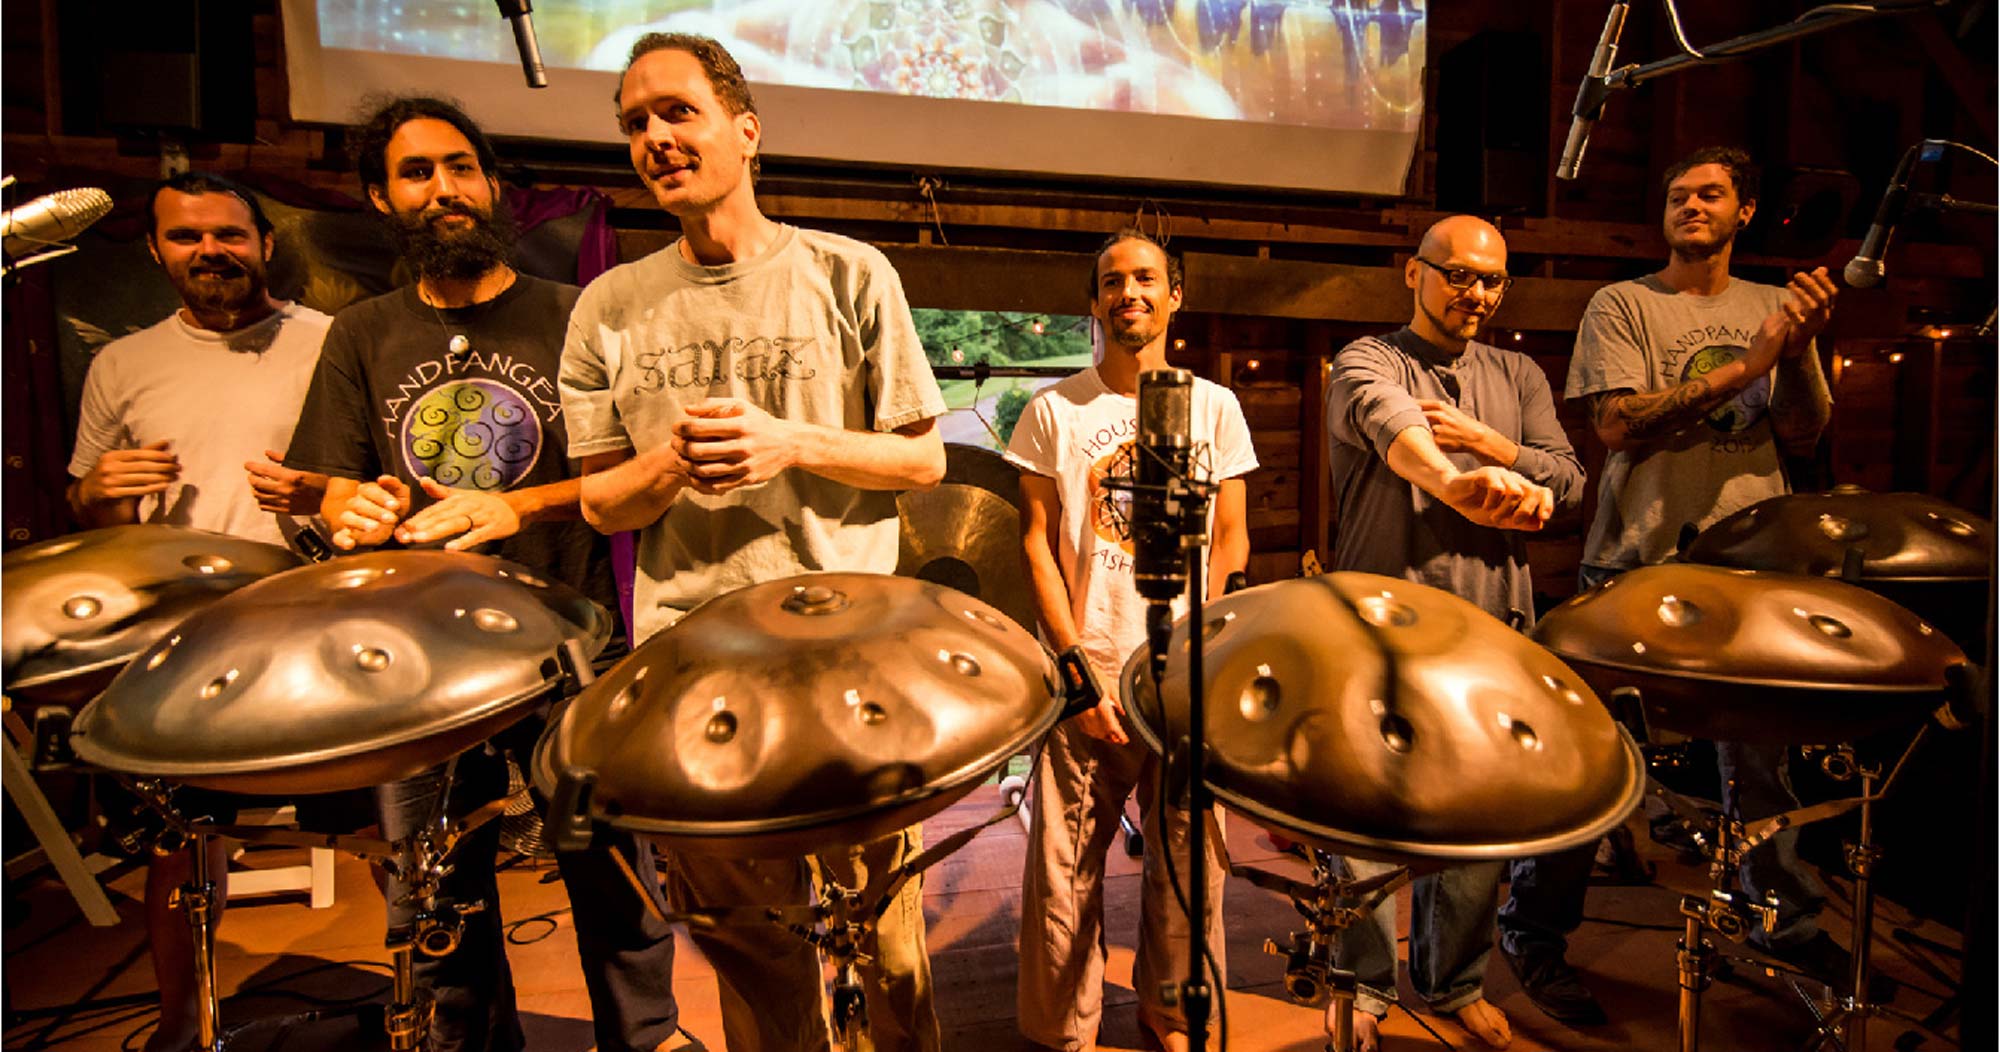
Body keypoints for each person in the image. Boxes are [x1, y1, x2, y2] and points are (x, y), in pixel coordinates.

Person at [558, 32, 948, 1052]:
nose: (653, 136)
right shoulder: (607, 307)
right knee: (752, 948)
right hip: (694, 659)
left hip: (849, 653)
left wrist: (791, 443)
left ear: (746, 127)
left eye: (676, 111)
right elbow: (601, 504)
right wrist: (668, 466)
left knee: (888, 940)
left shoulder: (848, 272)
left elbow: (922, 464)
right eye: (634, 122)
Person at [283, 97, 682, 1052]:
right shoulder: (361, 337)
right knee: (435, 892)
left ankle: (646, 1039)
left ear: (493, 186)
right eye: (416, 173)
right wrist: (348, 510)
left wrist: (524, 506)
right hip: (426, 663)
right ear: (382, 198)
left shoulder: (576, 313)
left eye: (461, 167)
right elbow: (337, 494)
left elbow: (631, 475)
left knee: (613, 878)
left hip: (573, 645)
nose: (444, 189)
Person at [1500, 145, 1838, 1024]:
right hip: (1634, 565)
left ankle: (1782, 920)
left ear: (1746, 211)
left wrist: (1796, 351)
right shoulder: (1624, 303)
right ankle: (1535, 930)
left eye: (1711, 194)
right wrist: (1747, 364)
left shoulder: (1776, 307)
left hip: (1751, 571)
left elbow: (1801, 432)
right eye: (1678, 195)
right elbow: (1617, 424)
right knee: (1592, 760)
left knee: (1762, 764)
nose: (1691, 205)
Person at [66, 171, 332, 1052]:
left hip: (311, 616)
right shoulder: (123, 363)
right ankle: (185, 1021)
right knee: (180, 843)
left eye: (228, 234)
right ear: (155, 251)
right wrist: (97, 495)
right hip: (181, 630)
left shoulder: (330, 342)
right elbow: (91, 508)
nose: (210, 251)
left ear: (265, 243)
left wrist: (325, 491)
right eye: (186, 238)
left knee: (377, 825)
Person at [1323, 215, 1584, 1052]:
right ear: (1415, 273)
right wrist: (1455, 481)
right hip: (1382, 631)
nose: (1475, 293)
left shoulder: (1518, 372)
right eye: (1458, 275)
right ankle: (1361, 988)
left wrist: (1495, 446)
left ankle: (1453, 981)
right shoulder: (1367, 358)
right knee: (1366, 823)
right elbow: (1390, 421)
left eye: (1491, 280)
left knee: (1478, 824)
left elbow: (1569, 478)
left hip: (1494, 631)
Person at [1006, 229, 1257, 1052]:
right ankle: (1062, 1028)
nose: (1129, 293)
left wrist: (1200, 640)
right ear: (1095, 301)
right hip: (1092, 666)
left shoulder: (1214, 406)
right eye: (1112, 281)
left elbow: (1231, 541)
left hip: (1184, 675)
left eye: (1146, 278)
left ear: (1174, 295)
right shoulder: (1054, 409)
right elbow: (1037, 544)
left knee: (1192, 864)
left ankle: (1171, 1008)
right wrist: (1074, 663)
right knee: (1064, 867)